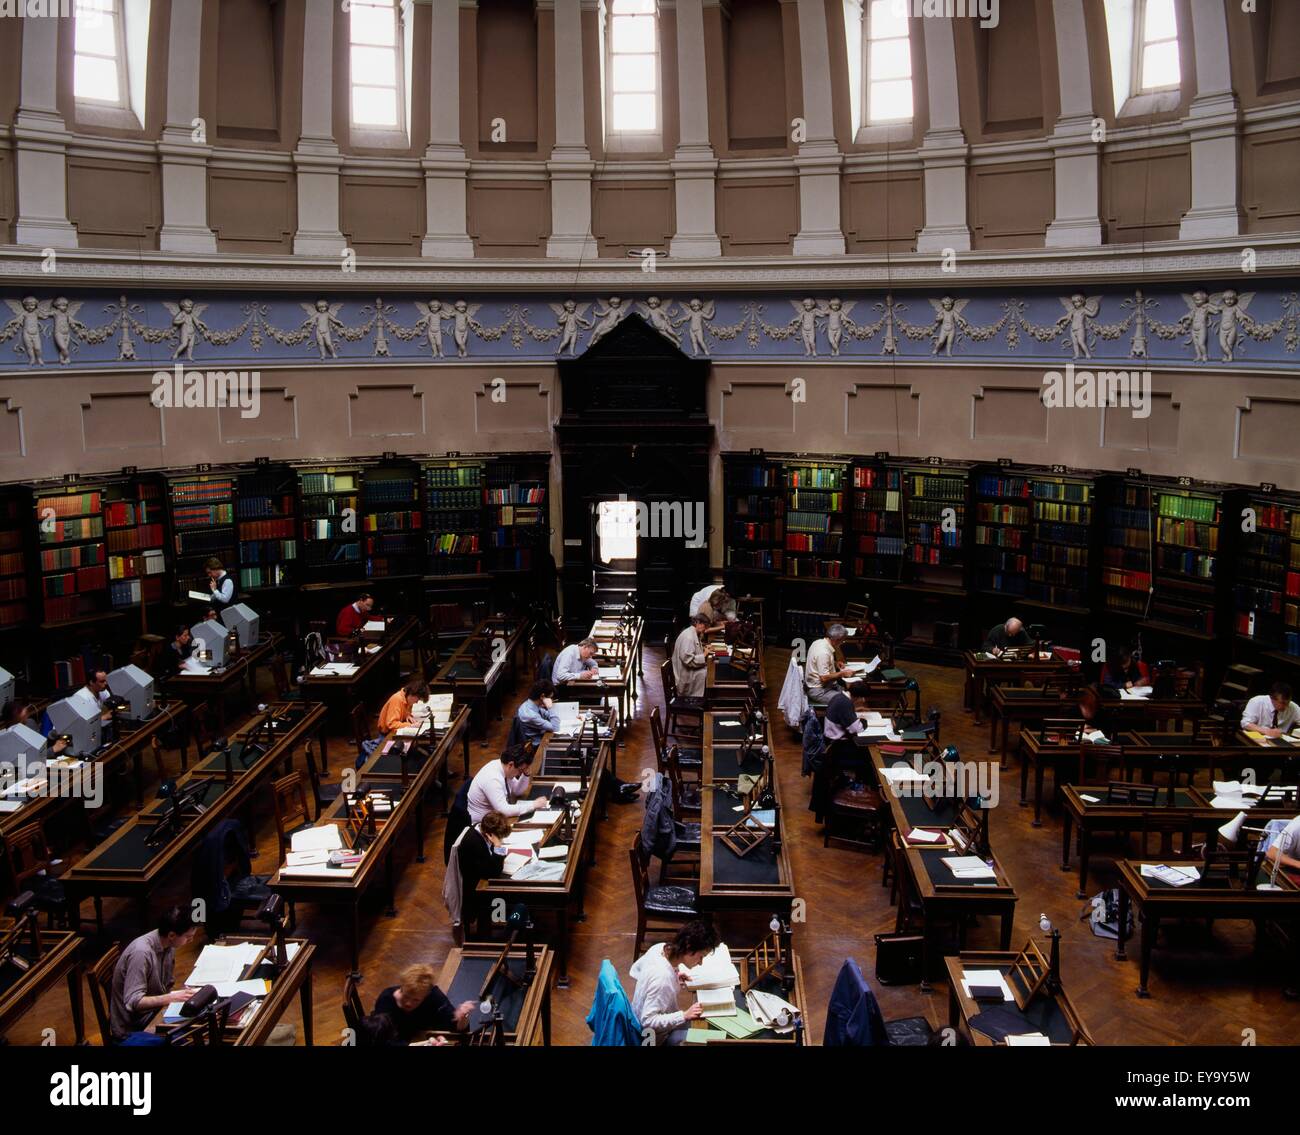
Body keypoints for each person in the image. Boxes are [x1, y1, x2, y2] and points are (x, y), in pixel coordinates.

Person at [109, 906, 200, 1041]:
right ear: (171, 935)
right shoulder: (141, 953)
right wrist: (171, 998)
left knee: (198, 1020)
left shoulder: (169, 944)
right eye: (188, 937)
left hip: (153, 1013)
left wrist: (179, 994)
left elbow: (166, 985)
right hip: (133, 1028)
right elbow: (134, 1001)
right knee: (190, 1035)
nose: (191, 941)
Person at [629, 920, 720, 1045]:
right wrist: (684, 1015)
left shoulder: (659, 948)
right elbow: (648, 1021)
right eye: (701, 956)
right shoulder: (662, 978)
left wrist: (674, 974)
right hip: (653, 1039)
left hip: (637, 1018)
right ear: (689, 947)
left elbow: (636, 970)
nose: (700, 962)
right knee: (709, 1039)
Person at [372, 963, 474, 1044]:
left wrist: (462, 1019)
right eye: (406, 996)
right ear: (402, 987)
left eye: (416, 1000)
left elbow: (456, 1029)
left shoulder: (433, 995)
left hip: (421, 1038)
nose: (408, 1003)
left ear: (426, 995)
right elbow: (379, 1038)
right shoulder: (386, 1000)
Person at [458, 810, 512, 934]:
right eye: (499, 837)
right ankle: (501, 929)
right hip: (476, 891)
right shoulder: (474, 843)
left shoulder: (480, 829)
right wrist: (498, 846)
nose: (501, 840)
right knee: (512, 894)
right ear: (489, 834)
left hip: (481, 878)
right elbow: (493, 872)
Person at [467, 744, 550, 823]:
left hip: (494, 817)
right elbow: (504, 810)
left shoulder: (504, 768)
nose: (519, 774)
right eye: (520, 770)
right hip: (483, 824)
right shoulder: (492, 778)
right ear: (511, 765)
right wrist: (534, 805)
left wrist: (526, 774)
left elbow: (517, 791)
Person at [806, 625, 855, 705]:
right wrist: (842, 673)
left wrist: (835, 663)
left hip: (826, 686)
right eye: (842, 641)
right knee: (847, 700)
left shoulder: (818, 642)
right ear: (836, 640)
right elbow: (824, 678)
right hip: (819, 691)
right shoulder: (823, 652)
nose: (842, 643)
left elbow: (819, 662)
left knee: (852, 692)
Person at [516, 679, 560, 744]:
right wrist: (550, 708)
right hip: (537, 745)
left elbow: (548, 715)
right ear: (542, 696)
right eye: (550, 698)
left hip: (542, 736)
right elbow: (555, 728)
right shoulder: (531, 715)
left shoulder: (532, 703)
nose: (551, 700)